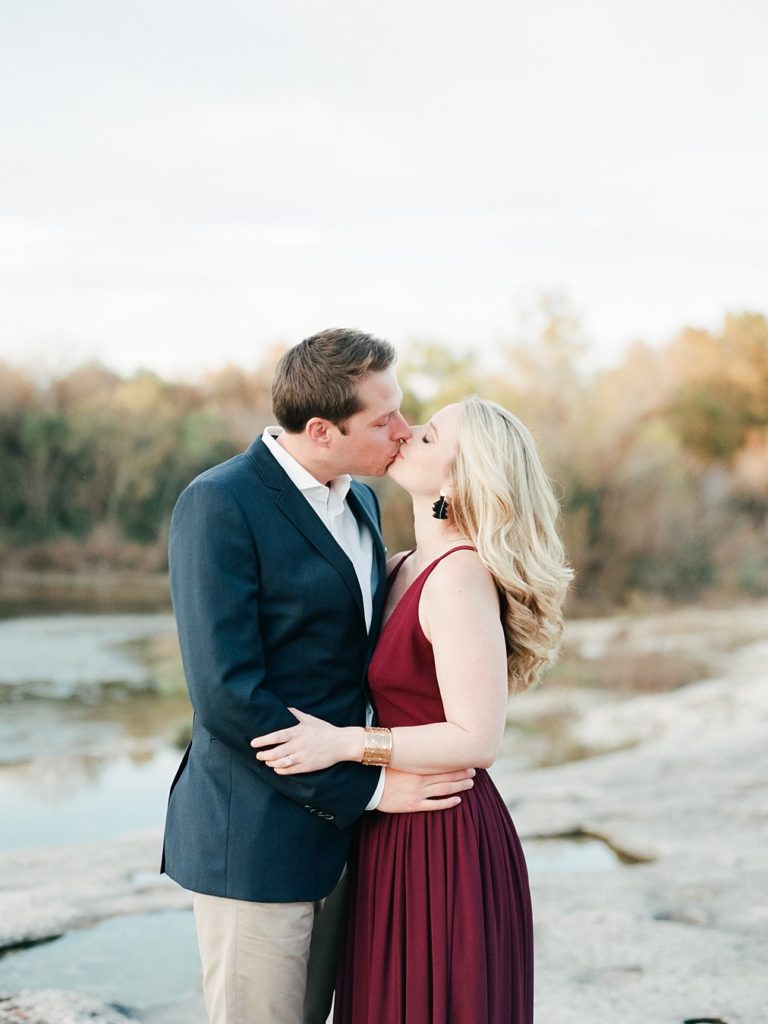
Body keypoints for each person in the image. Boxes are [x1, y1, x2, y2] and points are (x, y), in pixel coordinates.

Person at [161, 329, 476, 1024]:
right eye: (382, 419)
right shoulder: (221, 504)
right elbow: (226, 694)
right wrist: (370, 785)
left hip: (343, 842)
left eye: (401, 409)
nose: (403, 430)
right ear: (321, 431)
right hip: (254, 838)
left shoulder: (361, 500)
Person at [251, 396, 573, 1024]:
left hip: (443, 833)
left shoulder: (457, 576)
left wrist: (347, 744)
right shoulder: (399, 564)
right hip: (390, 826)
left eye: (426, 438)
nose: (404, 435)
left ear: (458, 478)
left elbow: (477, 738)